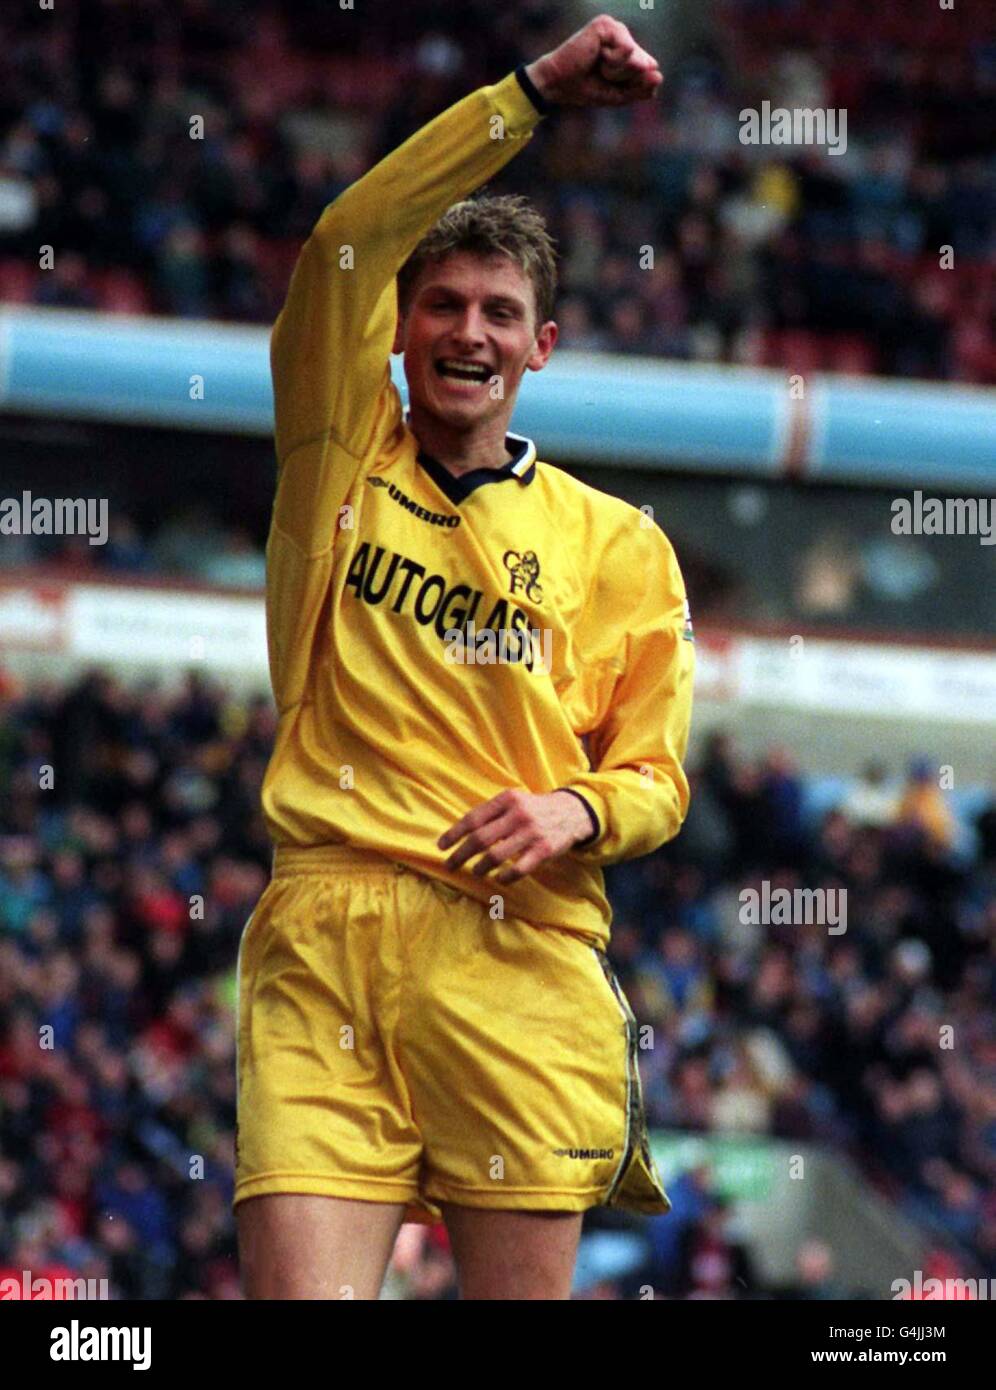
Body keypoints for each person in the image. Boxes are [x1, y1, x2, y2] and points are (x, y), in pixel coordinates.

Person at [234, 14, 695, 1300]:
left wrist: (575, 805)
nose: (470, 330)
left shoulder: (619, 547)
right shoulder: (342, 452)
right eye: (442, 302)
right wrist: (532, 93)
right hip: (324, 931)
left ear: (542, 344)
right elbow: (341, 244)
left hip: (521, 960)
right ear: (398, 327)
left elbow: (657, 778)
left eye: (502, 310)